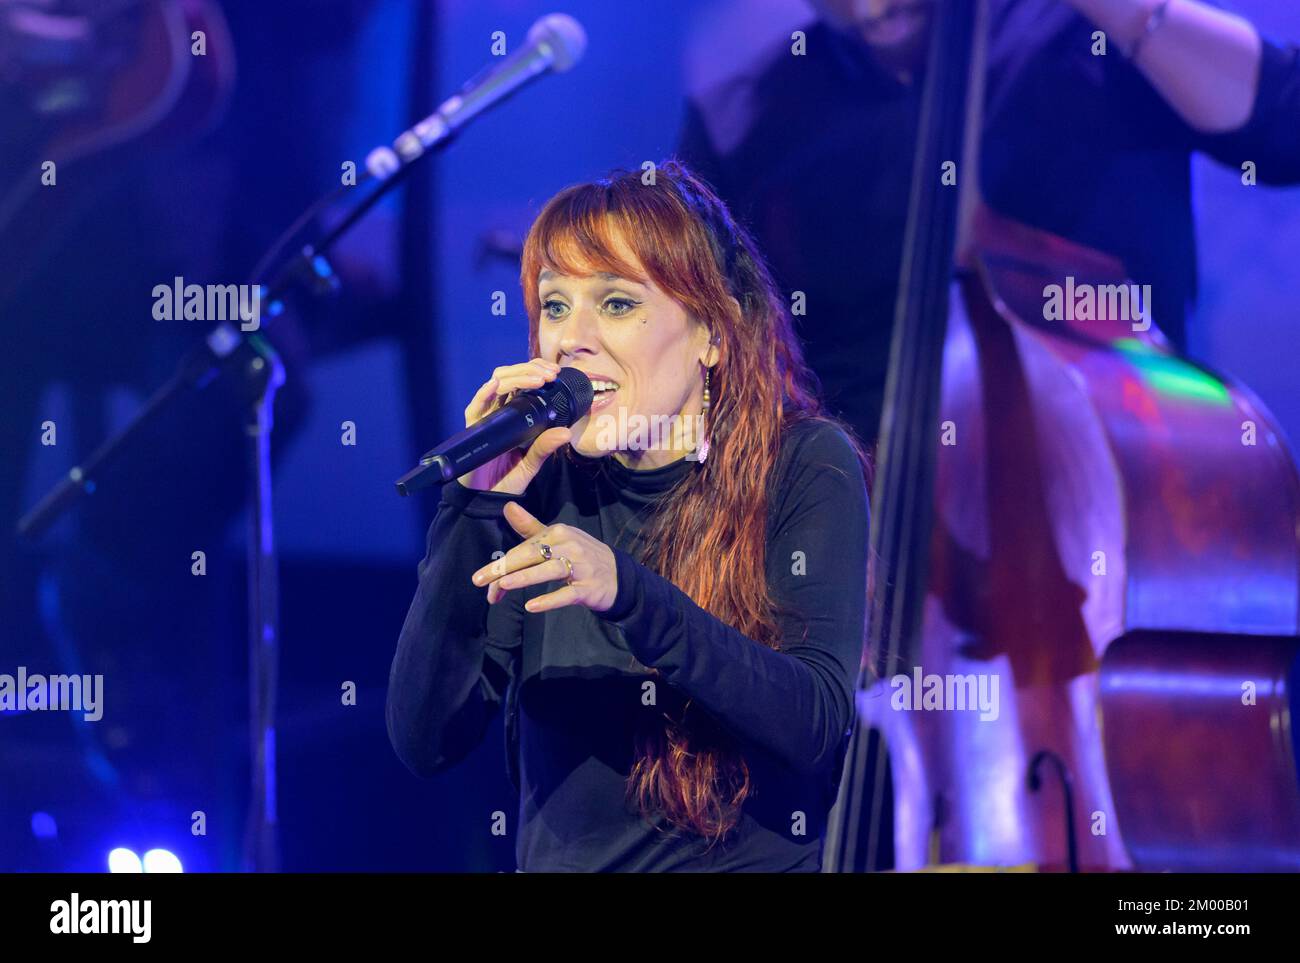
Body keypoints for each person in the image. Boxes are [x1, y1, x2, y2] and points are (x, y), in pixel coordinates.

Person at [385, 161, 872, 871]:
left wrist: (624, 589)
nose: (570, 338)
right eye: (554, 306)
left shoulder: (803, 463)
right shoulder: (542, 487)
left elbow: (816, 720)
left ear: (711, 332)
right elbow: (426, 741)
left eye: (615, 303)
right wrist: (471, 507)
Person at [676, 0, 1300, 449]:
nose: (869, 9)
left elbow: (1284, 129)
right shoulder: (752, 114)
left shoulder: (1089, 35)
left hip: (1115, 496)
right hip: (856, 543)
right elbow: (707, 354)